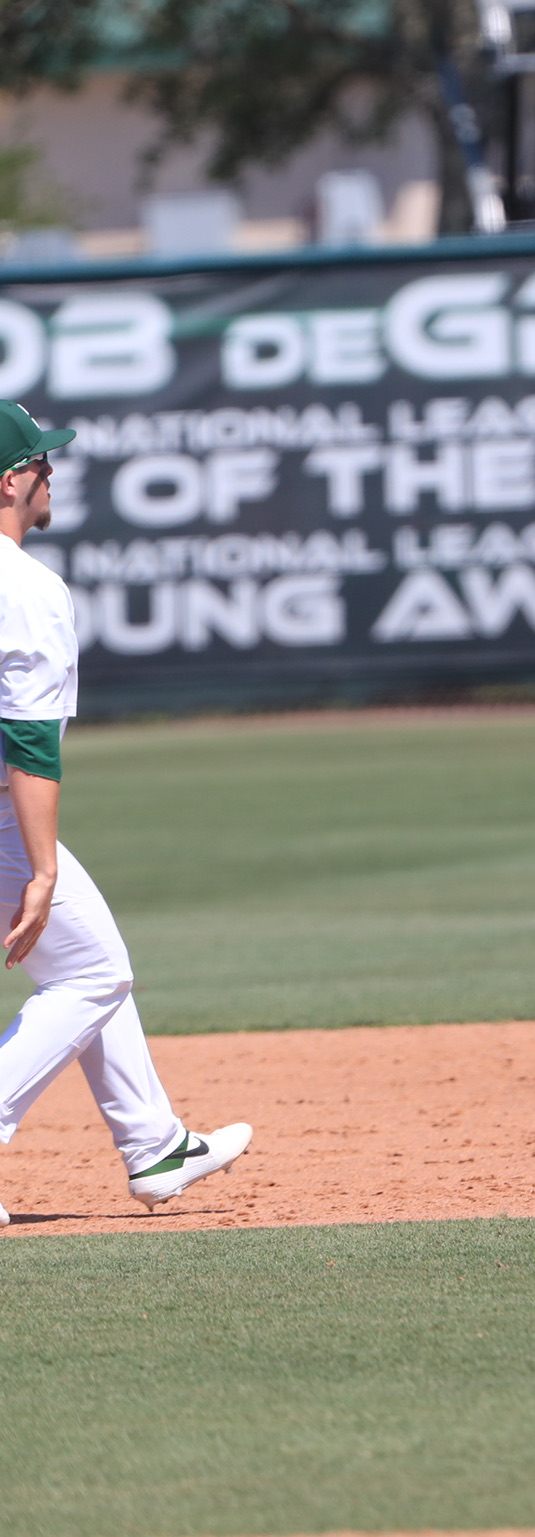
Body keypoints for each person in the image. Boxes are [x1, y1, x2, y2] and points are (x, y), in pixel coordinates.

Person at [0, 402, 251, 1223]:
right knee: (93, 971)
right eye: (40, 462)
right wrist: (41, 867)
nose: (50, 473)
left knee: (85, 960)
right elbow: (28, 740)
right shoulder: (25, 588)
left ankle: (155, 1144)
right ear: (9, 482)